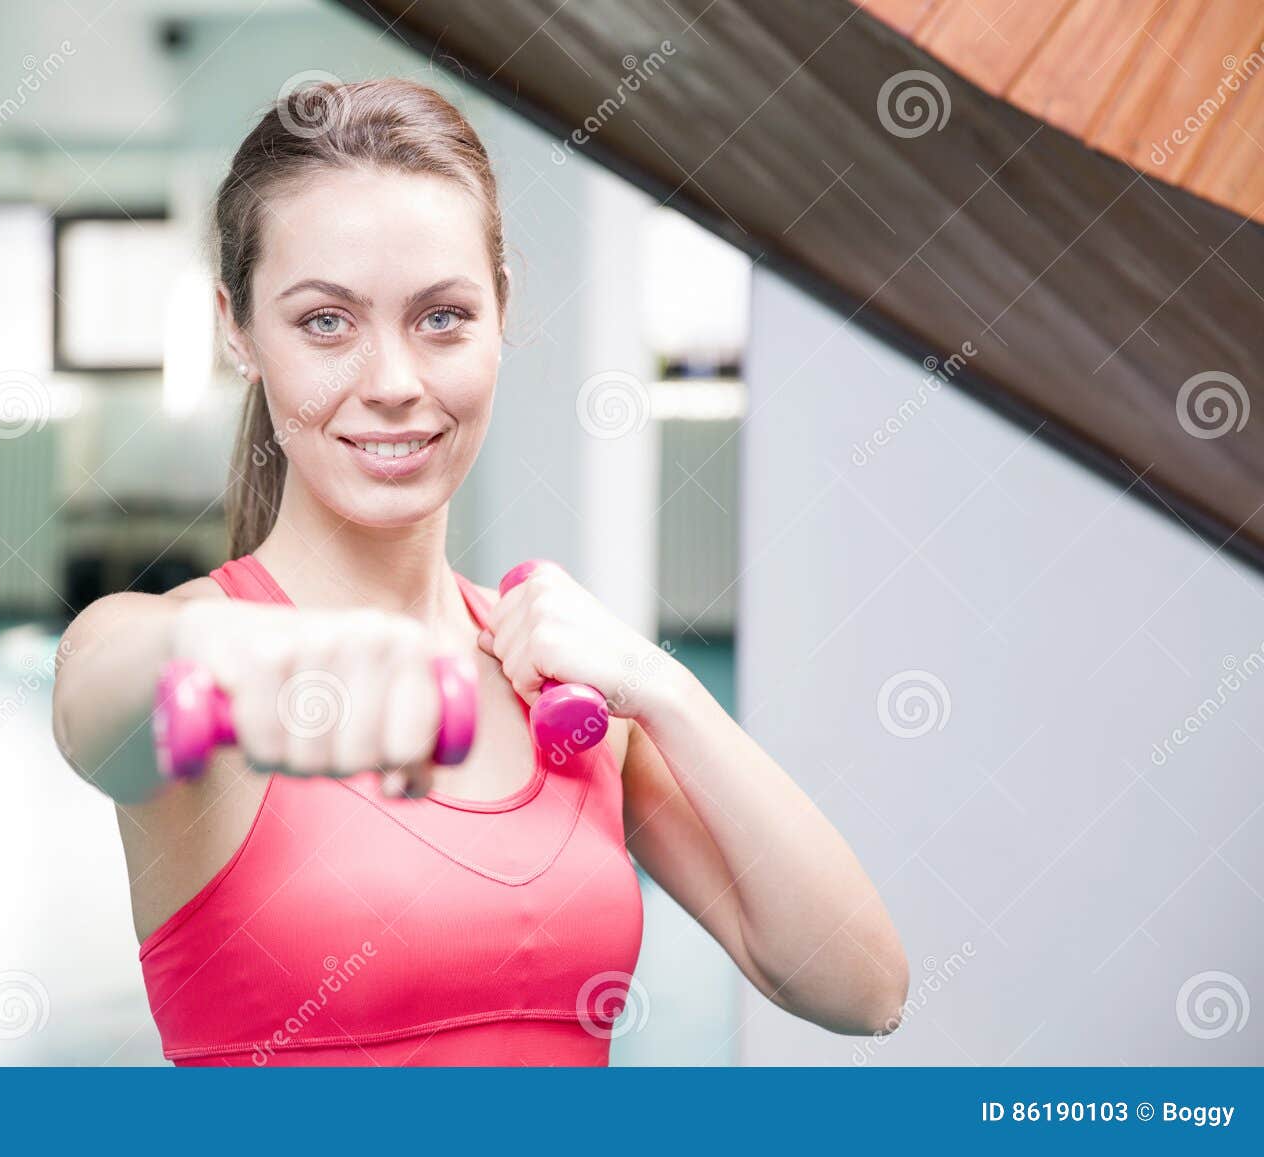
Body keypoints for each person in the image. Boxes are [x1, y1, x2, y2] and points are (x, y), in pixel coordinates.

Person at [51, 77, 907, 1066]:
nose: (393, 383)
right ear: (237, 329)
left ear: (503, 310)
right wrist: (217, 654)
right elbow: (97, 702)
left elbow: (862, 987)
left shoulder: (561, 683)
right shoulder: (190, 652)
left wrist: (662, 686)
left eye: (442, 317)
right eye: (325, 321)